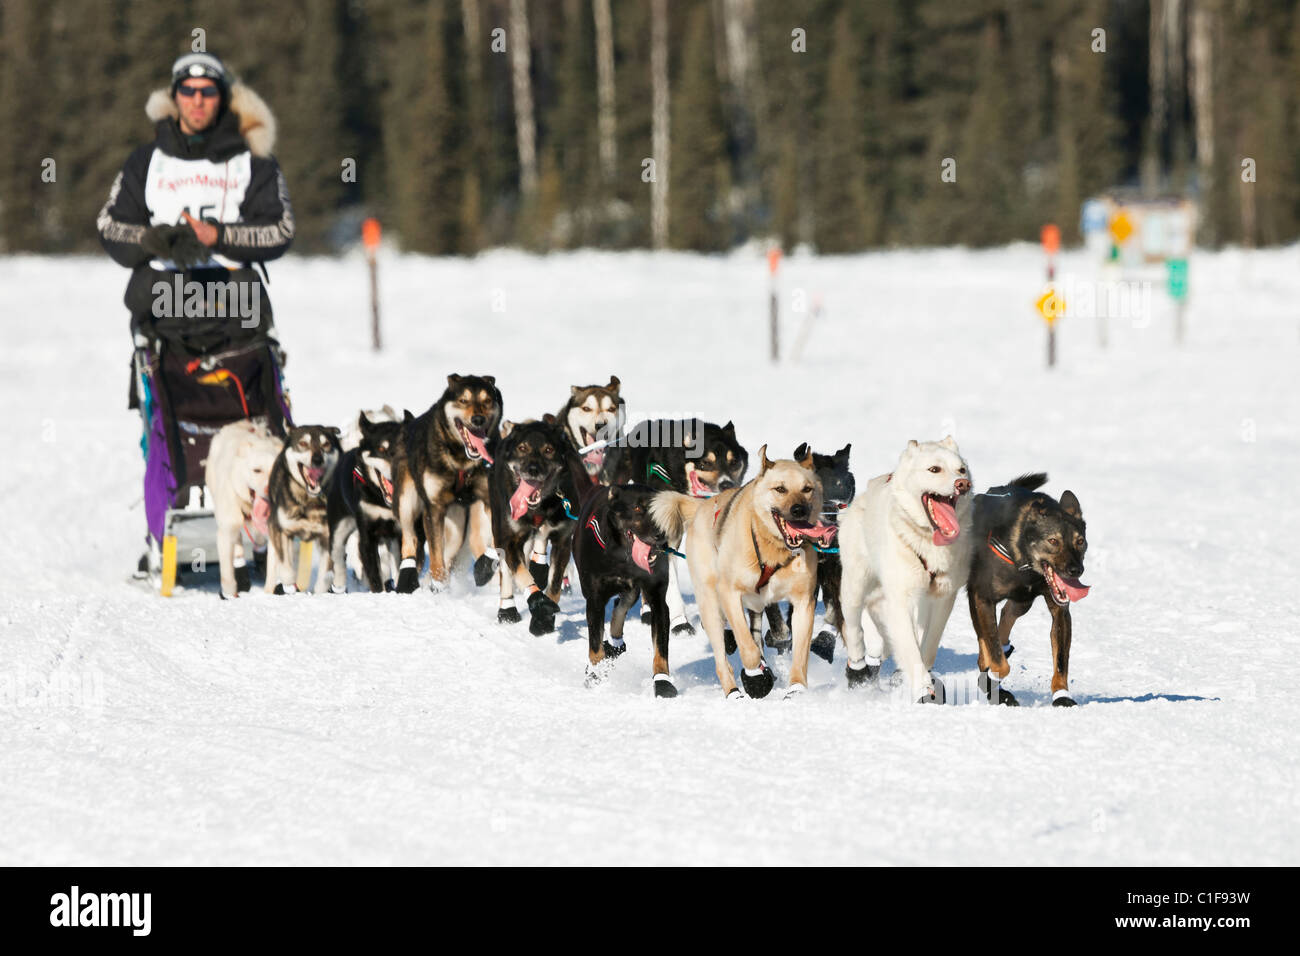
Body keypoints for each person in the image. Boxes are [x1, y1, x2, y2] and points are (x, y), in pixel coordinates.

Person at [97, 52, 295, 576]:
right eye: (189, 91)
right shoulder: (146, 161)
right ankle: (165, 532)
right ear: (175, 97)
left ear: (223, 99)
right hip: (165, 317)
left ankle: (262, 527)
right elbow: (110, 229)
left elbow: (278, 231)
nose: (198, 100)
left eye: (209, 92)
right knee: (163, 429)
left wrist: (221, 237)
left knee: (257, 428)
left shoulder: (253, 162)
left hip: (235, 316)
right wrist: (152, 238)